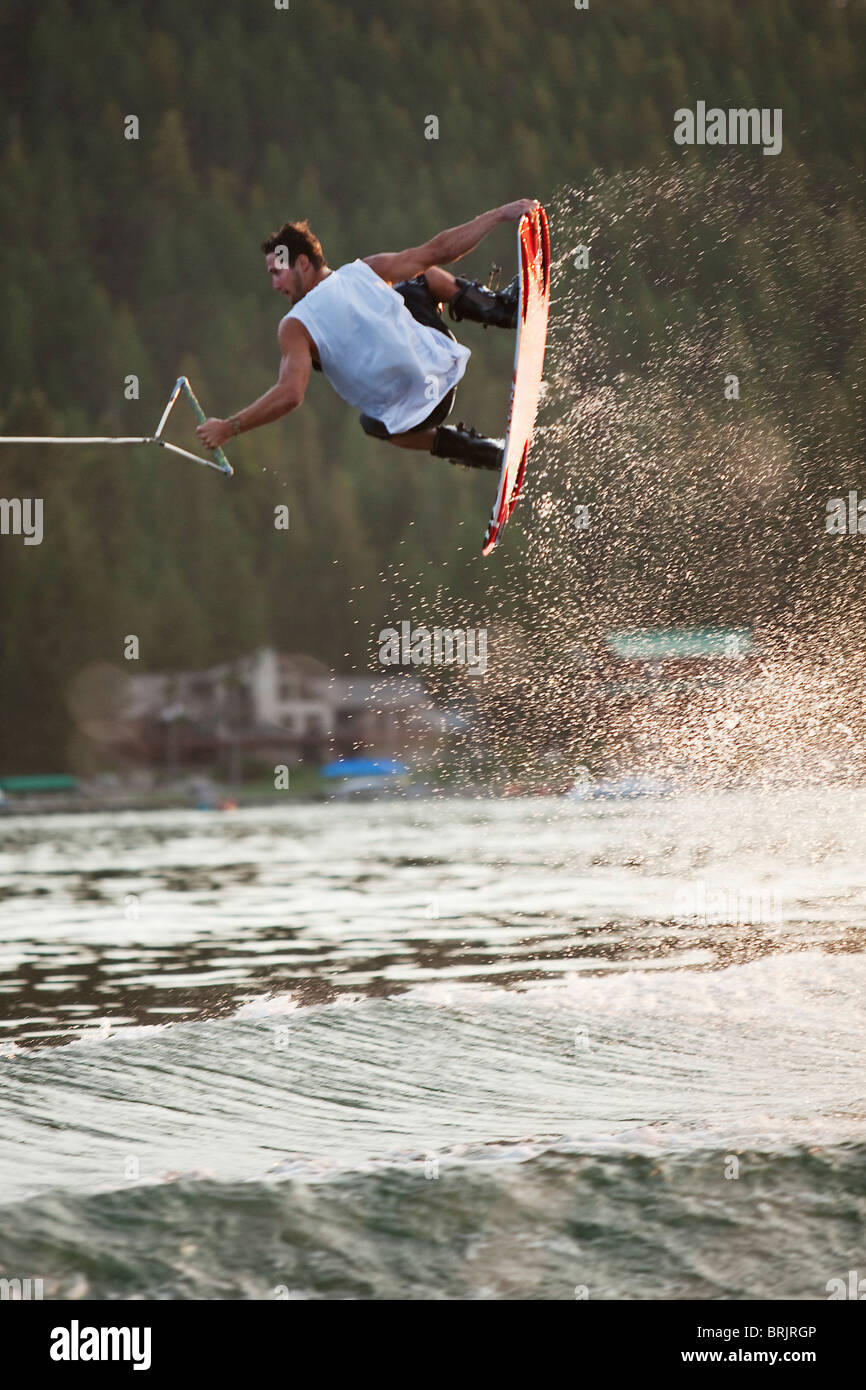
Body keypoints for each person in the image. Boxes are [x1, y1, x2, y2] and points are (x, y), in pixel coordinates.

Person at [195, 200, 539, 471]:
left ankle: (485, 453)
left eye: (277, 272)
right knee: (422, 275)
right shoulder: (367, 270)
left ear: (302, 263)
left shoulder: (295, 326)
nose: (274, 285)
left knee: (372, 422)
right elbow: (438, 250)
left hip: (415, 418)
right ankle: (502, 310)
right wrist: (500, 215)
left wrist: (230, 427)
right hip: (443, 375)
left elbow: (290, 394)